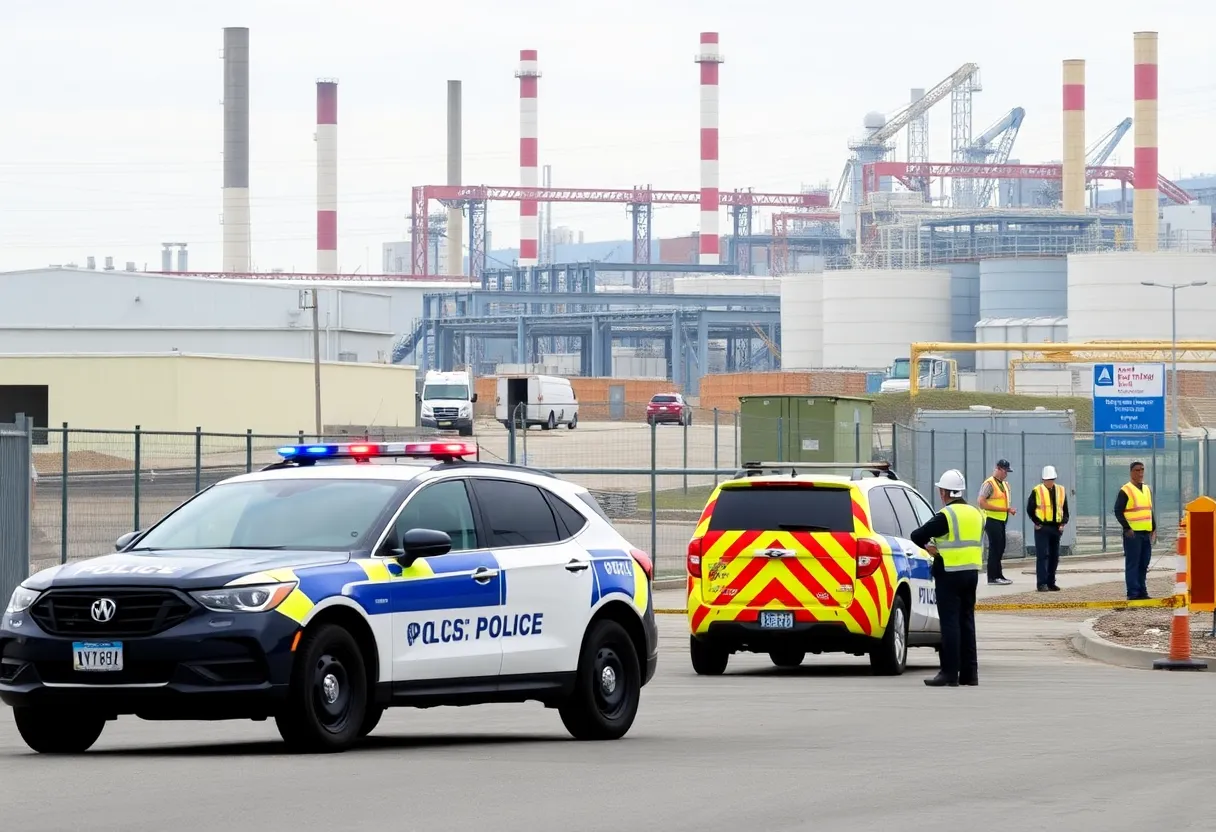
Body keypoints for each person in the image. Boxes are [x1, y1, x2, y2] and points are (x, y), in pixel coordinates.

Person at [910, 469, 984, 688]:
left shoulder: (946, 515)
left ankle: (949, 673)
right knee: (967, 622)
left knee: (950, 624)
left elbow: (917, 535)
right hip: (971, 573)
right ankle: (970, 674)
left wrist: (931, 548)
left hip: (949, 573)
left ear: (943, 492)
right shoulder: (976, 513)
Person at [1114, 461, 1155, 600]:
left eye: (1142, 470)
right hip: (1133, 534)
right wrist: (1127, 527)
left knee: (1144, 562)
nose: (1140, 473)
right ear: (1131, 472)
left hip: (1145, 532)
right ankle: (1133, 593)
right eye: (1137, 470)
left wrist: (1153, 527)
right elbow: (1118, 511)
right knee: (1133, 563)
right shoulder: (1126, 490)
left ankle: (1142, 591)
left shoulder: (1147, 489)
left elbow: (1149, 510)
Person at [1027, 465, 1069, 592]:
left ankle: (1051, 582)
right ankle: (1042, 583)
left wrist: (1063, 523)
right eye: (1047, 480)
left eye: (1051, 480)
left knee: (1054, 556)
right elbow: (1030, 508)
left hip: (1056, 528)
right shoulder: (1037, 490)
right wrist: (1036, 522)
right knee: (1042, 556)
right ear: (1043, 480)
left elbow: (1065, 510)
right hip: (1042, 528)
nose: (1050, 482)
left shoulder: (1061, 490)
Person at [977, 459, 1016, 586]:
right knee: (995, 548)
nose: (1006, 474)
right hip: (991, 519)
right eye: (1005, 471)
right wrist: (1004, 509)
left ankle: (999, 575)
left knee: (1000, 547)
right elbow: (981, 503)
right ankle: (992, 577)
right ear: (998, 468)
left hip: (1001, 520)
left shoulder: (1003, 484)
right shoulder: (989, 484)